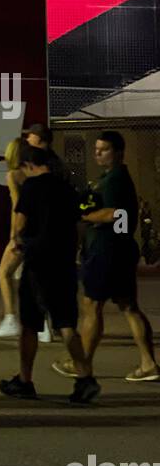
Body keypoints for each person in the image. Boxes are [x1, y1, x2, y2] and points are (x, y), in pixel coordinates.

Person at [53, 131, 158, 384]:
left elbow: (116, 215)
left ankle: (83, 363)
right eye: (97, 148)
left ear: (119, 153)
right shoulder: (111, 179)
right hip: (117, 249)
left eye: (104, 149)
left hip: (106, 252)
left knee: (91, 305)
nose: (98, 153)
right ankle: (149, 363)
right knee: (128, 306)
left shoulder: (114, 181)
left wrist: (86, 217)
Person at [0, 143, 99, 404]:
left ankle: (25, 380)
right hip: (63, 263)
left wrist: (18, 242)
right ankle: (85, 378)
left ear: (29, 165)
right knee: (66, 323)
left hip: (38, 262)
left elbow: (20, 222)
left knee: (30, 324)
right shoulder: (66, 188)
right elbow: (79, 226)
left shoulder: (31, 187)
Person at [0, 139, 51, 344]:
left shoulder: (13, 175)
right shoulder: (40, 175)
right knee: (38, 277)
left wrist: (14, 236)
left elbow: (18, 207)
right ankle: (47, 326)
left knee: (4, 273)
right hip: (42, 230)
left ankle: (10, 319)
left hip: (24, 232)